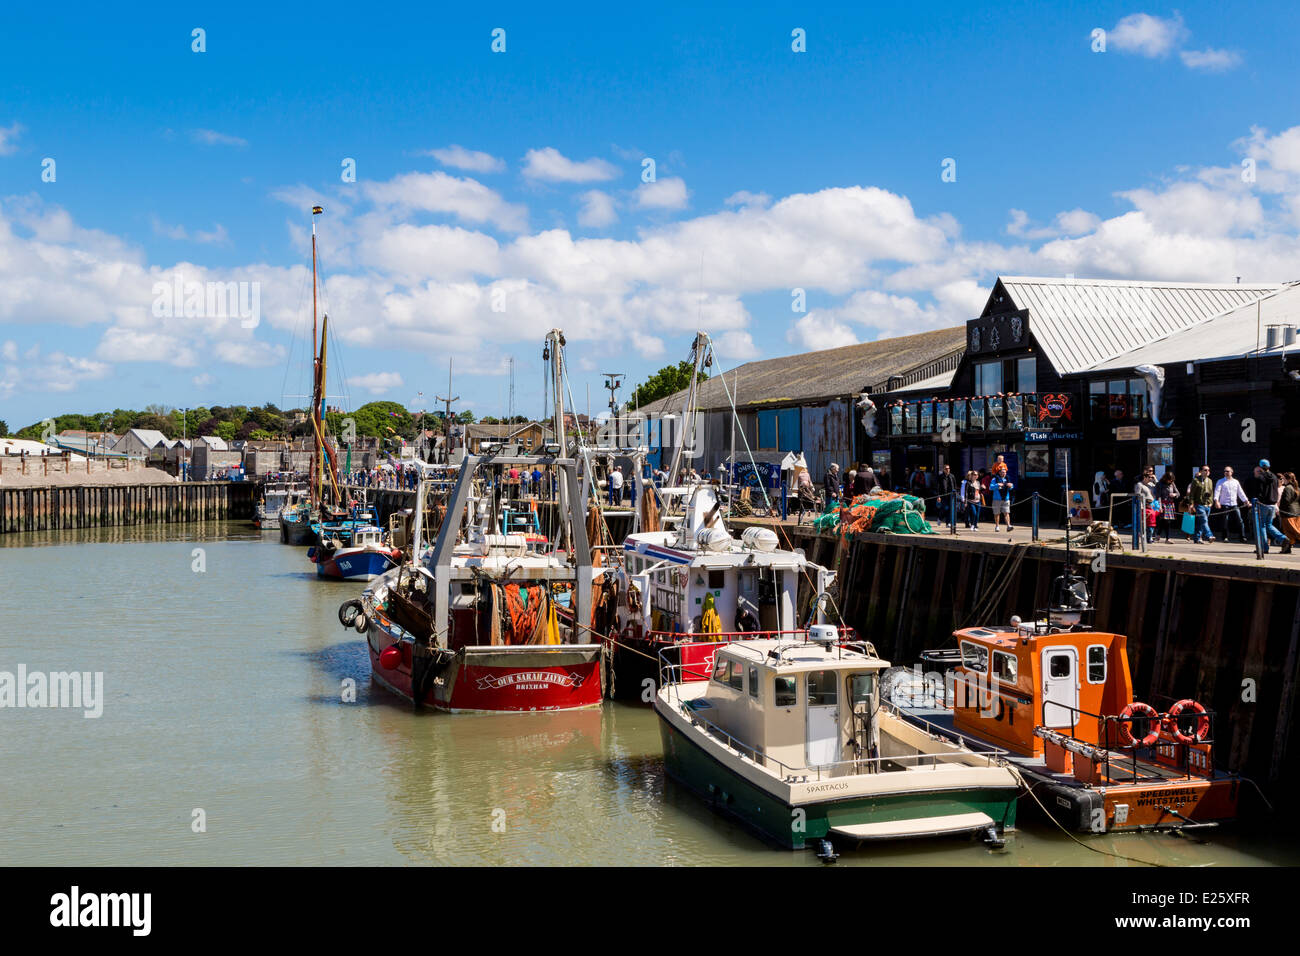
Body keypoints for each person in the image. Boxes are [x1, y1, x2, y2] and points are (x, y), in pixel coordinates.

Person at [1254, 459, 1292, 554]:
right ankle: (1283, 538)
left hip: (1263, 504)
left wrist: (1258, 500)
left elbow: (1260, 492)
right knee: (1269, 525)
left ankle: (1264, 548)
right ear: (1269, 466)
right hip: (1272, 505)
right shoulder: (1275, 477)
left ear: (1260, 467)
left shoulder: (1260, 478)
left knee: (1262, 526)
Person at [1213, 465, 1252, 543]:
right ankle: (1225, 537)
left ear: (1232, 472)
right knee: (1225, 521)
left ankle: (1242, 537)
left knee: (1240, 520)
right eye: (1225, 471)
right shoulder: (1220, 481)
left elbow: (1240, 492)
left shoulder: (1236, 482)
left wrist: (1246, 501)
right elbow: (1217, 491)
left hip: (1234, 504)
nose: (1226, 473)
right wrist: (1216, 501)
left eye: (1227, 471)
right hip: (1224, 504)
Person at [1186, 465, 1215, 543]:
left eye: (1208, 470)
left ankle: (1197, 538)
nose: (1207, 471)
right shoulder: (1196, 480)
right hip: (1199, 504)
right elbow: (1192, 493)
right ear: (1201, 471)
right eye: (1205, 470)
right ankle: (1210, 535)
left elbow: (1211, 492)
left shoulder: (1210, 481)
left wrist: (1211, 502)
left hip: (1207, 505)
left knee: (1200, 522)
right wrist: (1191, 504)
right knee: (1204, 520)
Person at [989, 464, 1014, 532]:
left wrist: (1011, 486)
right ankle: (997, 526)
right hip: (997, 499)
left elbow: (1012, 487)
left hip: (1006, 498)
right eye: (1003, 472)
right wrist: (997, 485)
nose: (1004, 473)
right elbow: (990, 487)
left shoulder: (1007, 478)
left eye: (1005, 472)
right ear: (999, 472)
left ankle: (1008, 526)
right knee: (997, 513)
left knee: (1006, 512)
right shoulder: (994, 479)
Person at [1279, 472, 1300, 548]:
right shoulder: (1297, 488)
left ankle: (1287, 548)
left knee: (1295, 531)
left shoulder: (1287, 488)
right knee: (1290, 533)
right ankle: (1287, 548)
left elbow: (1286, 500)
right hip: (1296, 512)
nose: (1282, 480)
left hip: (1288, 513)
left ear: (1287, 479)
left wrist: (1280, 508)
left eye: (1283, 478)